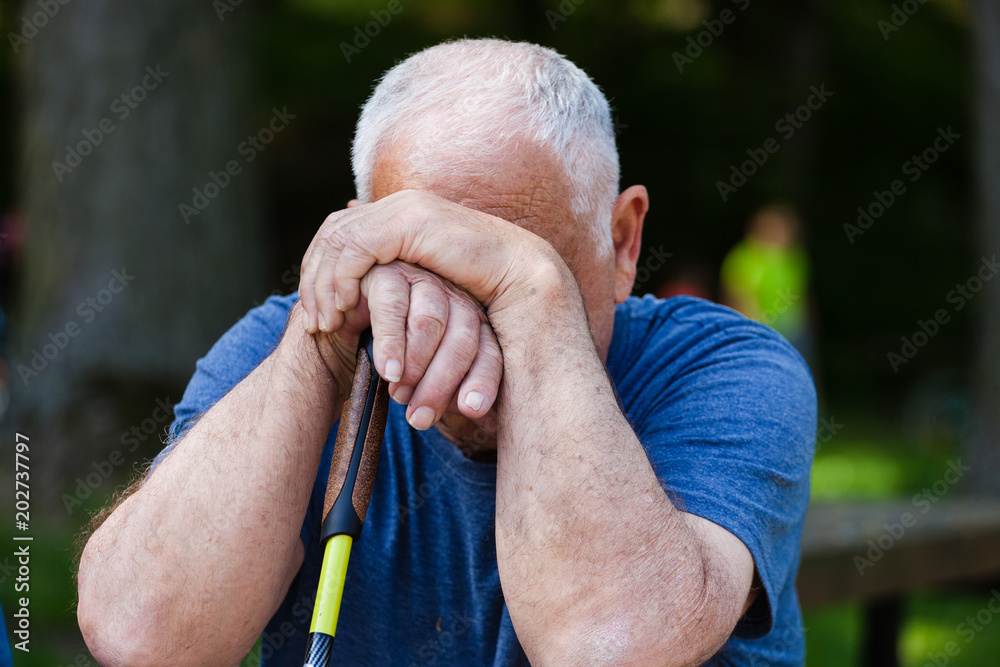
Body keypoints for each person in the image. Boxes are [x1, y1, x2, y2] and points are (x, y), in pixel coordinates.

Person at [76, 39, 816, 666]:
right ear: (359, 235)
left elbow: (608, 646)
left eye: (518, 265)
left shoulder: (727, 370)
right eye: (428, 266)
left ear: (622, 242)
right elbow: (142, 636)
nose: (465, 320)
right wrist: (320, 346)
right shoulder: (290, 344)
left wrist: (532, 296)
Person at [720, 203, 814, 362]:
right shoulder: (743, 258)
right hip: (761, 332)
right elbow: (736, 298)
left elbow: (802, 295)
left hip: (795, 331)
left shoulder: (795, 258)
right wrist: (751, 332)